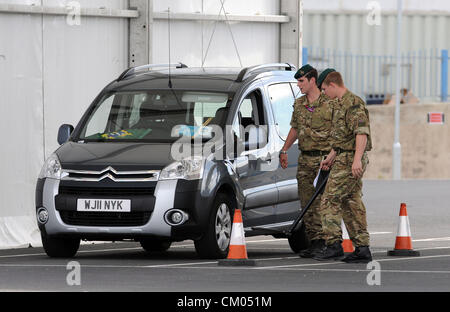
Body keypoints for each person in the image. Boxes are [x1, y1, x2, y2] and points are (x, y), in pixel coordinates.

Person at [312, 71, 373, 263]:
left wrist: (356, 160)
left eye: (324, 89)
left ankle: (333, 245)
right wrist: (330, 157)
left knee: (329, 200)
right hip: (343, 157)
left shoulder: (353, 104)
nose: (323, 93)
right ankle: (362, 248)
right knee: (351, 203)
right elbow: (343, 139)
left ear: (332, 84)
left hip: (350, 160)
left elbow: (361, 134)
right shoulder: (339, 104)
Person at [279, 65, 335, 258]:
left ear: (312, 80)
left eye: (301, 81)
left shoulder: (330, 103)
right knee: (307, 203)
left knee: (323, 203)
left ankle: (329, 242)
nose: (298, 85)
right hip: (305, 160)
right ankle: (316, 241)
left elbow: (340, 132)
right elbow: (295, 129)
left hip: (324, 161)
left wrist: (333, 157)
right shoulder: (300, 104)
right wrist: (285, 149)